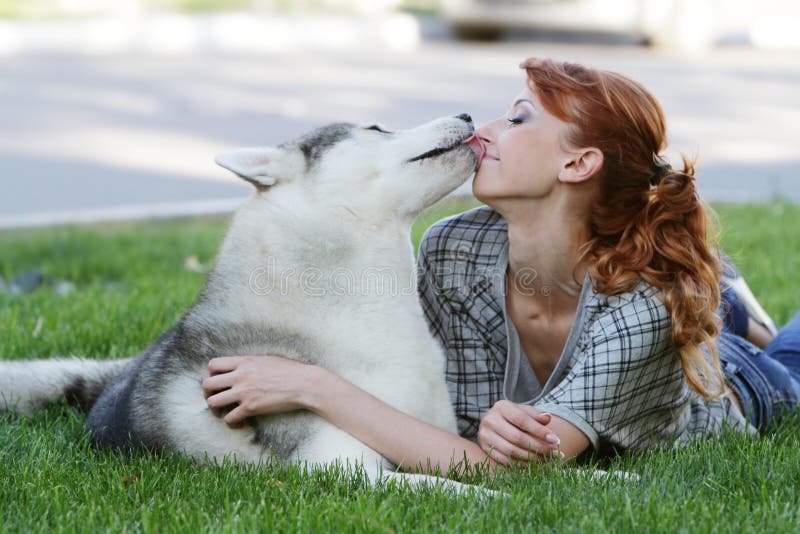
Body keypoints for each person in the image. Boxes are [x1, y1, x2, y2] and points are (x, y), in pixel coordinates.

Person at [201, 58, 800, 471]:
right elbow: (456, 433)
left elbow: (503, 470)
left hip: (732, 385)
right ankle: (723, 295)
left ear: (577, 164)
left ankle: (732, 307)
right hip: (623, 299)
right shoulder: (454, 248)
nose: (483, 131)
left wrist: (310, 386)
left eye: (517, 119)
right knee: (689, 295)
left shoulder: (645, 305)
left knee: (781, 361)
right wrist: (481, 429)